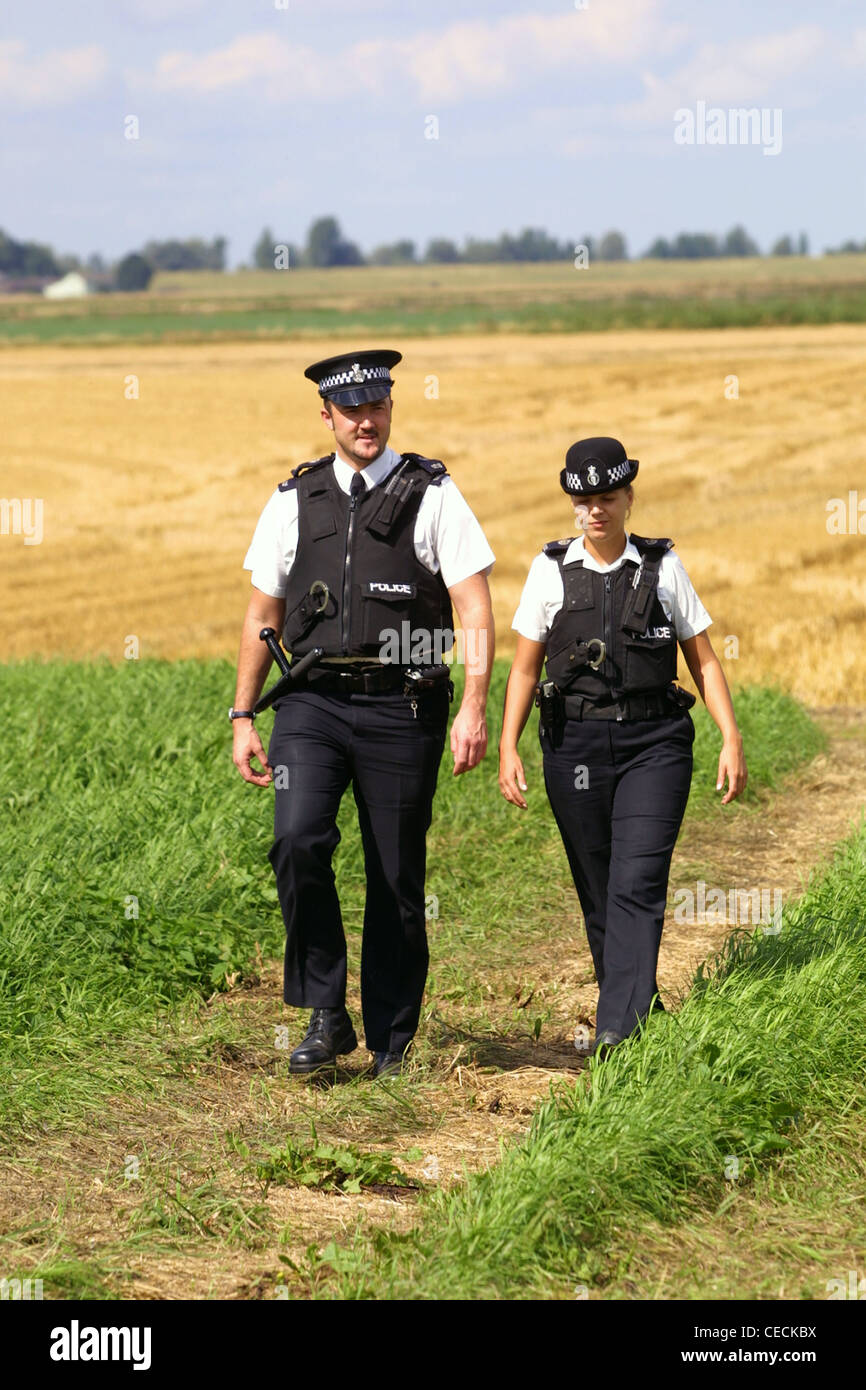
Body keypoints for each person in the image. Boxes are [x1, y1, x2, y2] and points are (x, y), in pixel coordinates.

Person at [231, 349, 495, 1078]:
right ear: (327, 416)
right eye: (351, 410)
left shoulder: (433, 492)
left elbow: (473, 606)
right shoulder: (295, 498)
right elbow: (262, 613)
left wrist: (473, 704)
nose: (366, 420)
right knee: (297, 841)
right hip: (310, 705)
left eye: (377, 406)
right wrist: (243, 713)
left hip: (402, 708)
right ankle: (326, 1012)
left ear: (389, 407)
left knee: (395, 872)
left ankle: (392, 1039)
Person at [498, 437, 746, 1059]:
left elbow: (705, 663)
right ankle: (637, 1004)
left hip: (653, 744)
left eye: (607, 497)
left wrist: (730, 737)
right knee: (599, 882)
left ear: (629, 497)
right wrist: (508, 746)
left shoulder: (663, 568)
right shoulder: (548, 571)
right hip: (573, 745)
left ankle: (617, 1029)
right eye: (582, 500)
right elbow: (525, 670)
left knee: (637, 879)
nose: (595, 511)